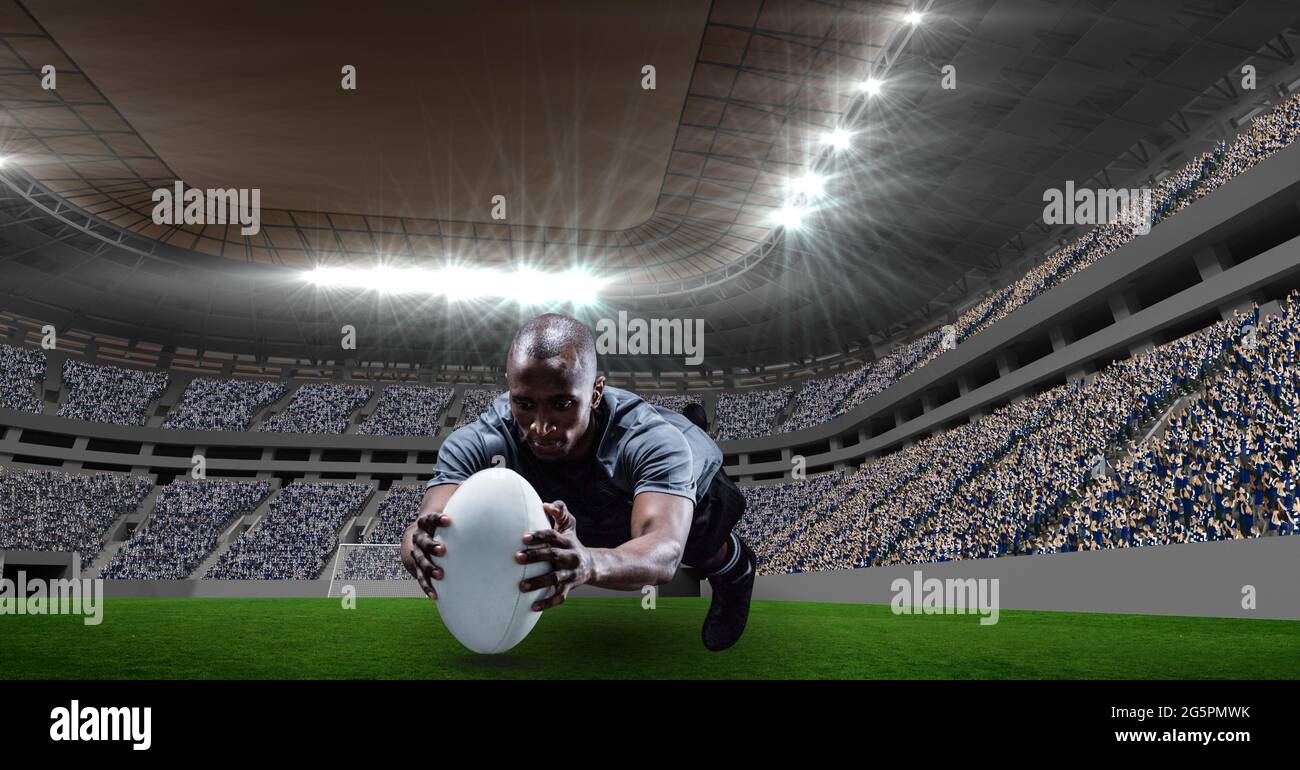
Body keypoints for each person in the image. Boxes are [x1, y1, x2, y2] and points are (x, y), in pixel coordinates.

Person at [400, 313, 755, 651]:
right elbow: (426, 522)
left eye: (562, 404)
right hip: (583, 492)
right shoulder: (478, 441)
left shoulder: (651, 442)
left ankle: (735, 568)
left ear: (596, 393)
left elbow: (662, 553)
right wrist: (418, 544)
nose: (541, 426)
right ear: (509, 391)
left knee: (698, 544)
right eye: (524, 404)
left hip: (678, 468)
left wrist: (590, 563)